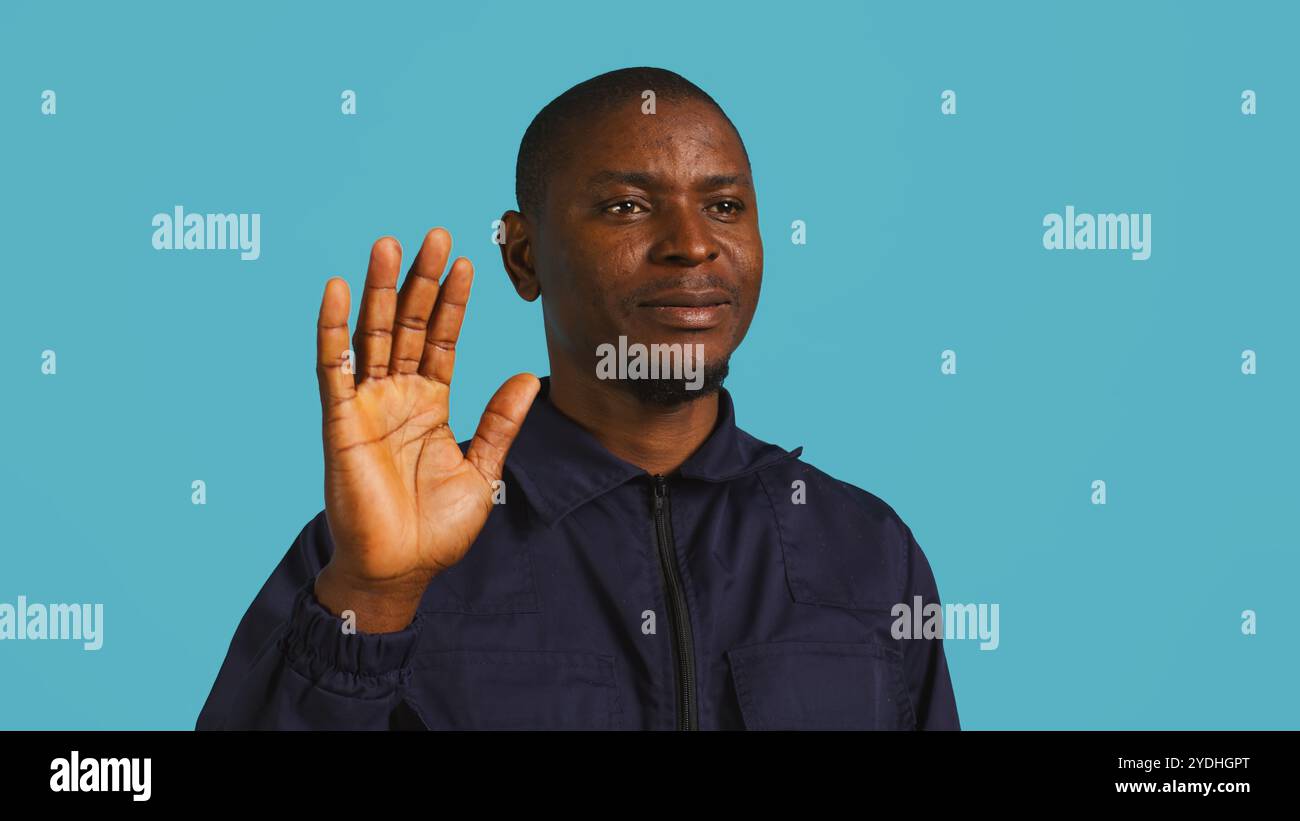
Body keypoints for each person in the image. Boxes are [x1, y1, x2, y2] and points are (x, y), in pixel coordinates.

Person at [196, 66, 960, 730]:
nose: (692, 243)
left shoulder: (866, 549)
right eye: (628, 205)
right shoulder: (382, 545)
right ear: (524, 257)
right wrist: (374, 598)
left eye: (724, 206)